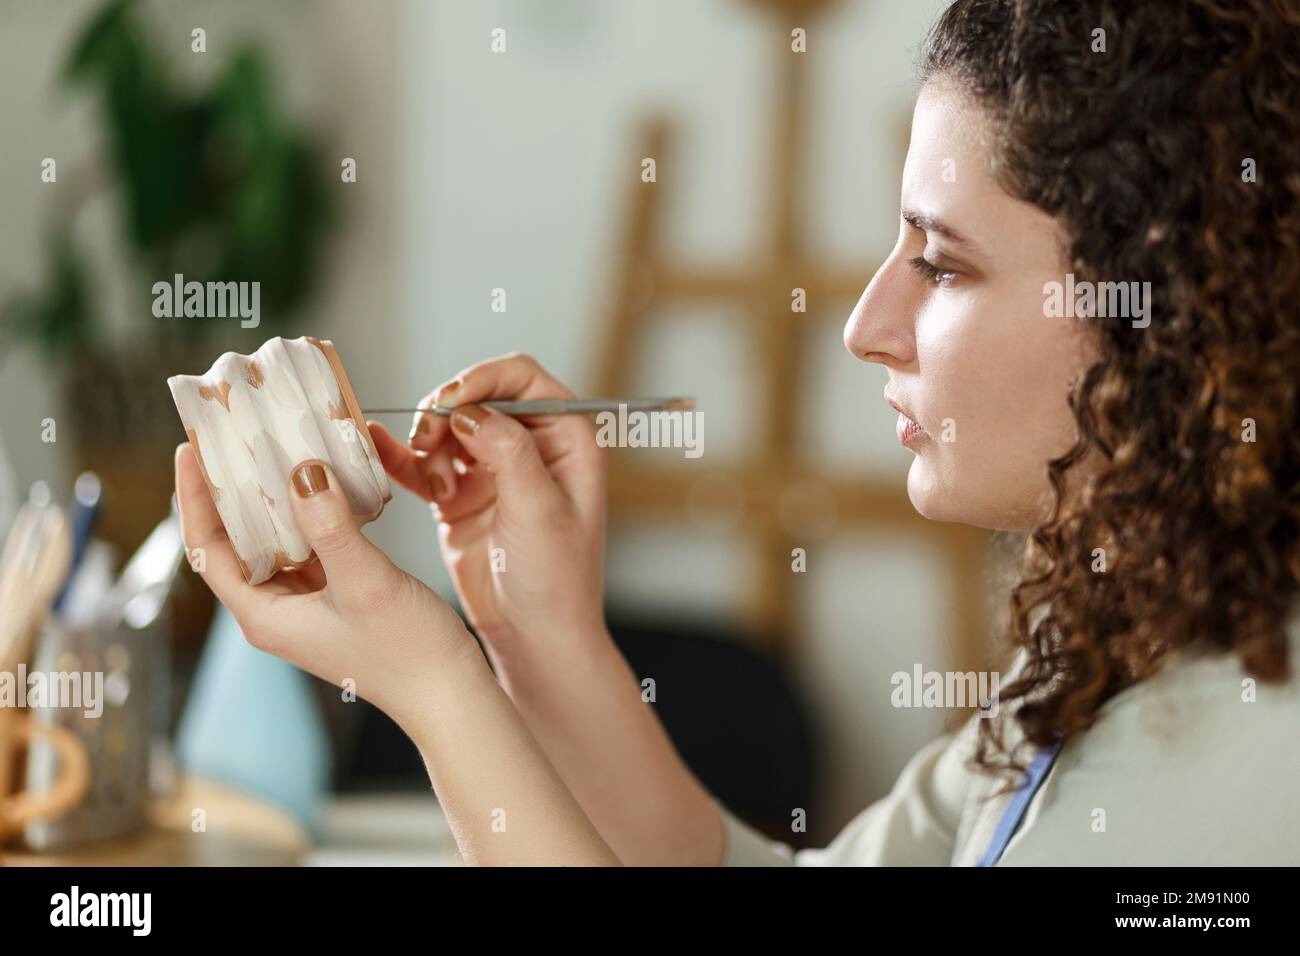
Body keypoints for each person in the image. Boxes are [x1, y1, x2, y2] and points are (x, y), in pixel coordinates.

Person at [173, 0, 1300, 865]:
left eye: (942, 264)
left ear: (1166, 313)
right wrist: (537, 631)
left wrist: (430, 683)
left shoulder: (1233, 762)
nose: (866, 326)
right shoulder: (1114, 646)